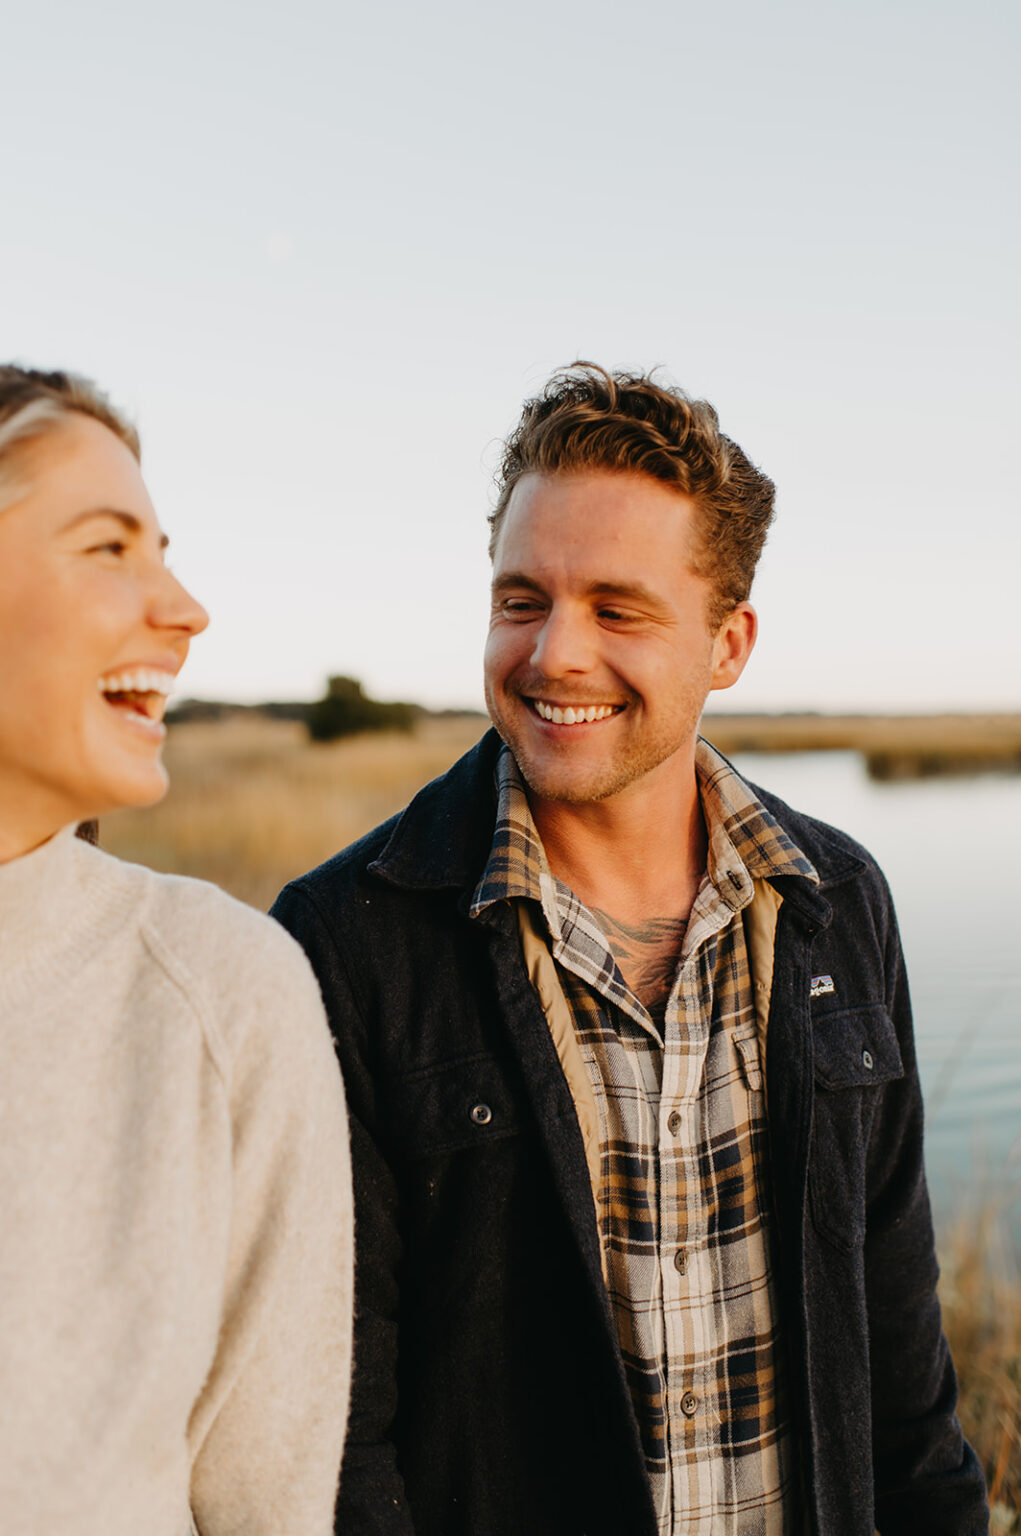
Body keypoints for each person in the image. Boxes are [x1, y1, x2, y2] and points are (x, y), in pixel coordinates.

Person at [272, 363, 988, 1536]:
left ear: (727, 643)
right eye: (521, 599)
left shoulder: (838, 904)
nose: (554, 653)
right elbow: (330, 1434)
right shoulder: (345, 943)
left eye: (617, 608)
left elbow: (901, 1379)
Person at [0, 366, 354, 1535]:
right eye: (109, 549)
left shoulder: (223, 993)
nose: (186, 608)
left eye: (163, 547)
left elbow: (272, 1508)